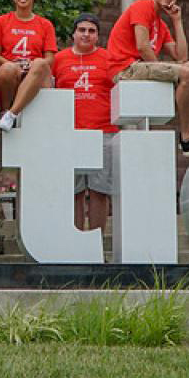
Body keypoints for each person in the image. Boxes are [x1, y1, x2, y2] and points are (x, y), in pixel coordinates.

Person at [108, 0, 189, 153]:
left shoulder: (161, 24)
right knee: (185, 73)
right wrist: (166, 72)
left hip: (141, 67)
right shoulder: (143, 5)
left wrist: (177, 21)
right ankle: (188, 138)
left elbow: (182, 57)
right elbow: (142, 46)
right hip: (124, 68)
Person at [50, 16, 121, 233]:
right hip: (70, 133)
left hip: (104, 132)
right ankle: (77, 245)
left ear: (97, 36)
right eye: (82, 29)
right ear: (73, 33)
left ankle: (96, 245)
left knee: (100, 191)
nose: (86, 34)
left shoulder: (109, 58)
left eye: (91, 31)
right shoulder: (58, 59)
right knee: (74, 192)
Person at [0, 0, 57, 133]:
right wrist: (13, 64)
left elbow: (50, 58)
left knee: (40, 62)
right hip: (13, 73)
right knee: (6, 69)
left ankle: (12, 114)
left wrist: (31, 64)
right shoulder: (1, 21)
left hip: (36, 73)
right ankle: (5, 111)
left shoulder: (45, 24)